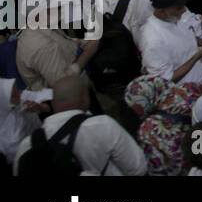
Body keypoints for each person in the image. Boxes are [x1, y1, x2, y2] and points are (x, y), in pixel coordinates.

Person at [13, 75, 147, 176]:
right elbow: (137, 168)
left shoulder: (26, 146)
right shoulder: (102, 125)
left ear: (52, 103)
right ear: (85, 98)